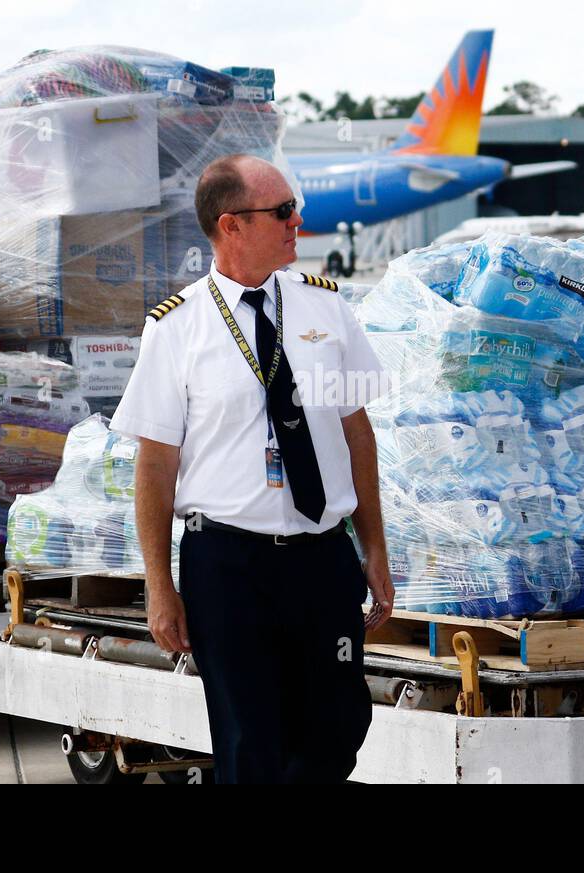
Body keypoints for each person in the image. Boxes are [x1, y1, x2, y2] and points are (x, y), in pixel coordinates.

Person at [110, 154, 394, 784]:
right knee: (248, 739)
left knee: (340, 724)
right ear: (232, 225)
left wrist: (373, 546)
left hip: (322, 557)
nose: (299, 221)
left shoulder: (325, 309)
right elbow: (155, 466)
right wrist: (159, 585)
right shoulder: (176, 328)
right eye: (283, 210)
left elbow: (357, 434)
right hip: (229, 567)